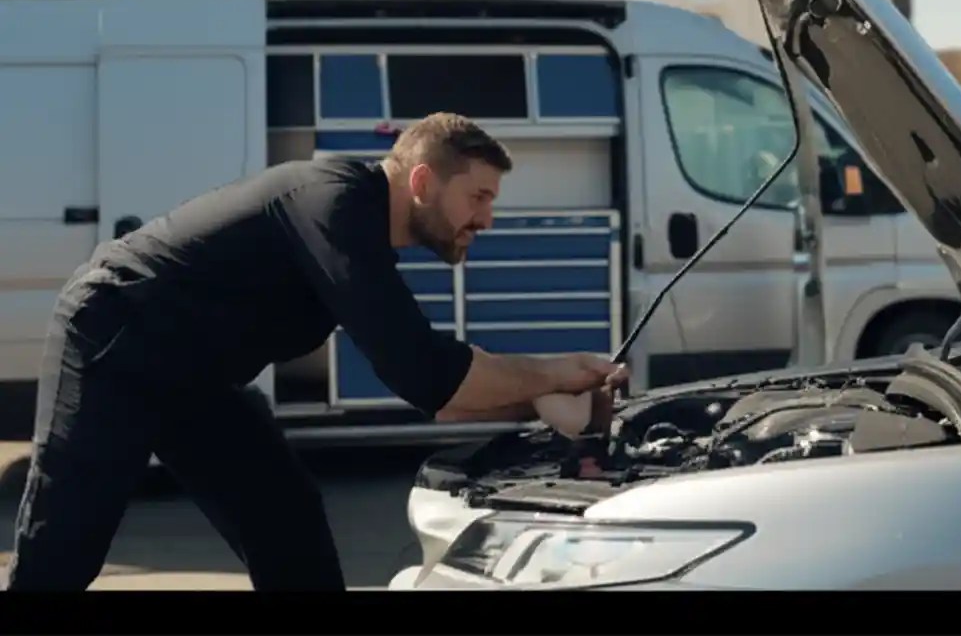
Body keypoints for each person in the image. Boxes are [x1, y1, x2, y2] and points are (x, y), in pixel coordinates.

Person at [2, 112, 629, 591]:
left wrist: (547, 397)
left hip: (195, 378)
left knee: (287, 522)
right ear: (421, 181)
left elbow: (434, 390)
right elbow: (425, 373)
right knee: (65, 550)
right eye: (479, 197)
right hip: (116, 333)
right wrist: (555, 373)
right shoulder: (333, 202)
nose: (487, 219)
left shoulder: (359, 241)